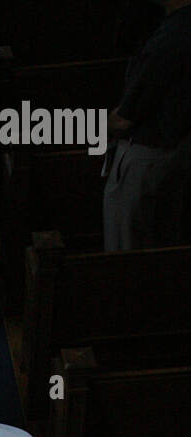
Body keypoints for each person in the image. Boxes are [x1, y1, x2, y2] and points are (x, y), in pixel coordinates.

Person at [103, 0, 191, 251]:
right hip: (179, 151)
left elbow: (123, 120)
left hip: (147, 158)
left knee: (126, 252)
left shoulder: (168, 40)